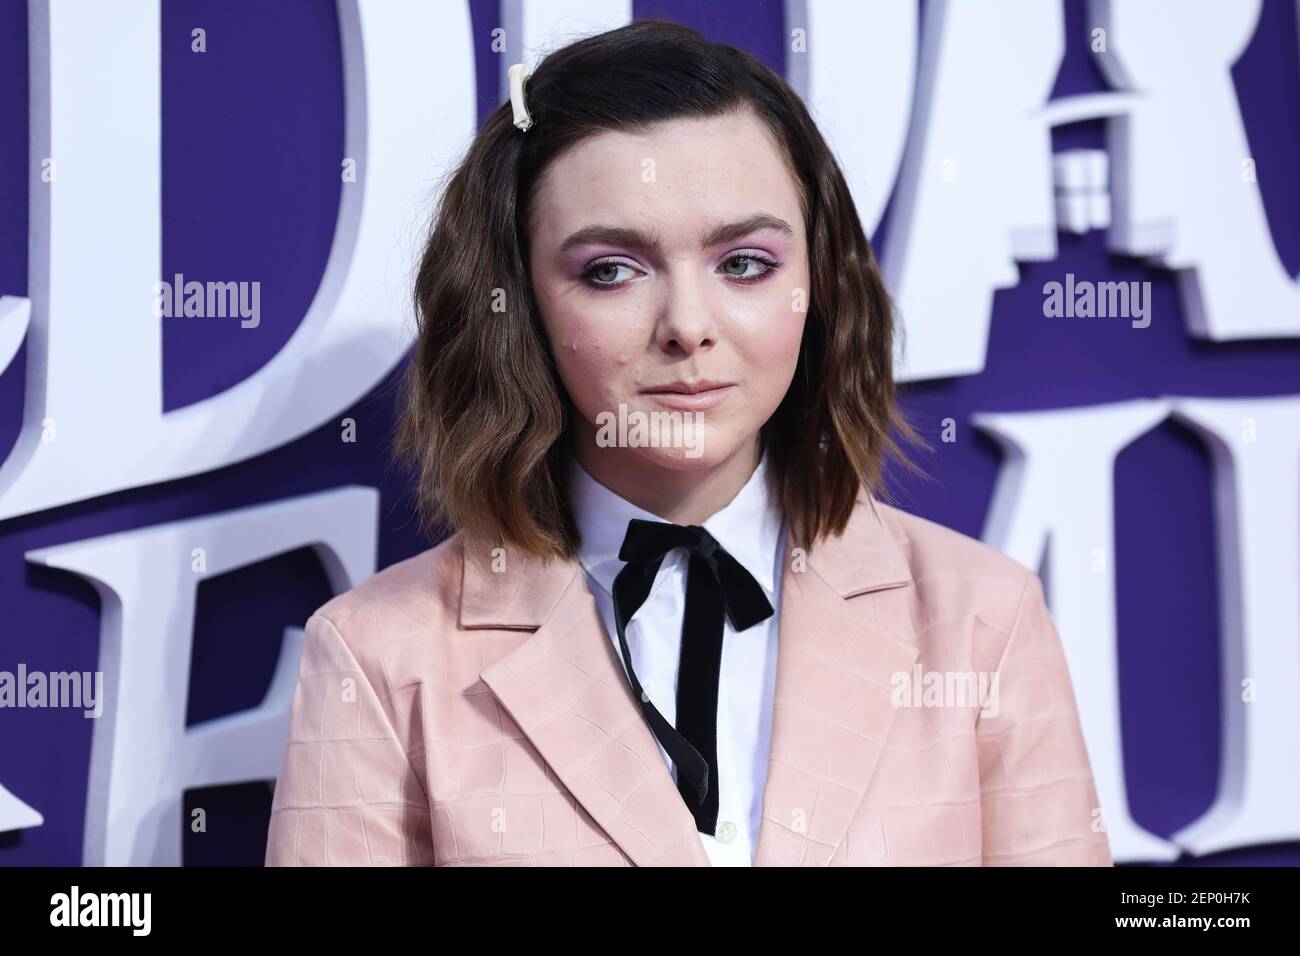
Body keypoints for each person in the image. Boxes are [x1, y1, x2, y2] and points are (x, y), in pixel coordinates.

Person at [264, 18, 1112, 867]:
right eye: (611, 270)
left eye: (743, 263)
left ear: (818, 283)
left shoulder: (982, 618)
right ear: (517, 305)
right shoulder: (377, 657)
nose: (687, 328)